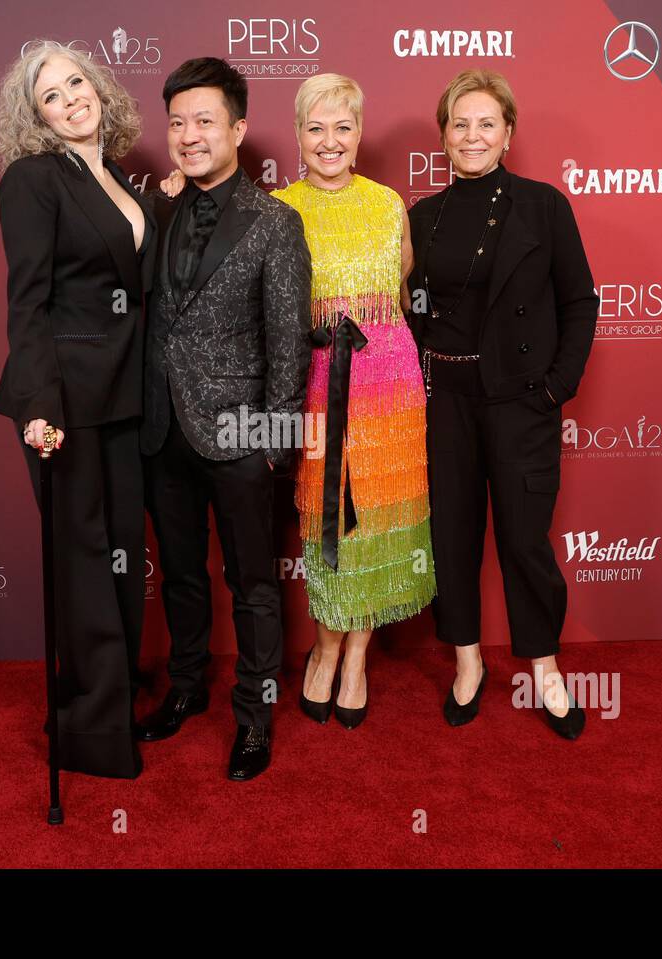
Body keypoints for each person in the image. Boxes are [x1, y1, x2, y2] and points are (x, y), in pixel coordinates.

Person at [135, 57, 312, 781]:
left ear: (238, 130)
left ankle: (255, 718)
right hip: (161, 429)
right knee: (181, 574)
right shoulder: (154, 210)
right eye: (177, 122)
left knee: (254, 585)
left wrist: (273, 444)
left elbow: (289, 339)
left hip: (243, 436)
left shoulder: (276, 223)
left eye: (204, 121)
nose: (189, 135)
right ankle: (185, 687)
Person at [406, 70, 597, 738]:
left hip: (521, 401)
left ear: (508, 134)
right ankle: (467, 663)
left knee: (523, 538)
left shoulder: (543, 207)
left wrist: (554, 388)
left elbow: (580, 302)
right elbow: (412, 312)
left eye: (486, 123)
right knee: (452, 537)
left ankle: (544, 667)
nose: (472, 136)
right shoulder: (421, 217)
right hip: (447, 403)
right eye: (460, 124)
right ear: (443, 136)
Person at [0, 40, 157, 779]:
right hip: (61, 400)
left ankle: (105, 701)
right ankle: (93, 730)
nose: (71, 100)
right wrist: (38, 403)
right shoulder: (31, 180)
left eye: (76, 82)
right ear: (37, 118)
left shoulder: (117, 176)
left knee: (120, 554)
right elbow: (27, 302)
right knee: (85, 561)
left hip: (124, 395)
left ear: (99, 87)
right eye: (51, 96)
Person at [269, 74, 435, 730]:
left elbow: (401, 283)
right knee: (331, 523)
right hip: (319, 385)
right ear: (298, 134)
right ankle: (325, 649)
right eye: (316, 127)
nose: (329, 140)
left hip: (390, 387)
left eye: (343, 126)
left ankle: (356, 656)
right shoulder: (279, 208)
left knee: (378, 526)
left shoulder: (388, 203)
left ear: (360, 133)